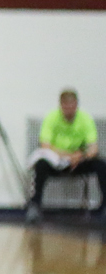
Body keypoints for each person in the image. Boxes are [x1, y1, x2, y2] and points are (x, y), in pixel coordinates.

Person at [28, 89, 105, 221]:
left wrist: (80, 156)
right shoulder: (51, 118)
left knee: (101, 165)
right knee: (41, 165)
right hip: (57, 161)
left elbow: (93, 148)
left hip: (78, 162)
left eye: (72, 106)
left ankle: (104, 207)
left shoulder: (85, 119)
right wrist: (68, 156)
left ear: (77, 105)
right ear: (61, 106)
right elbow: (45, 146)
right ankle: (35, 205)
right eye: (66, 106)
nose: (69, 110)